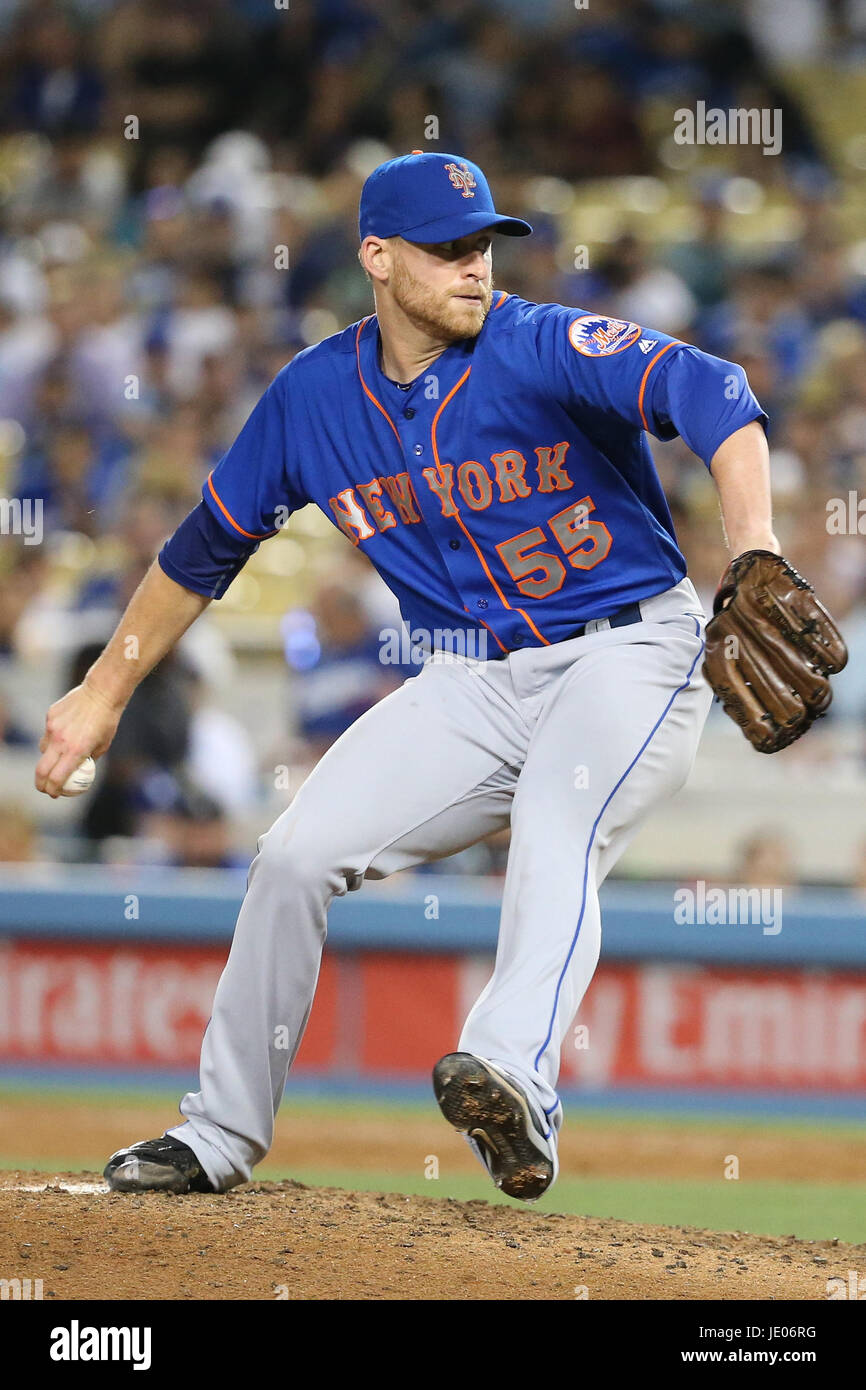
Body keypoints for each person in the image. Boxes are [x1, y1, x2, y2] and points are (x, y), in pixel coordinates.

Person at [36, 152, 776, 1201]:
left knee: (557, 820)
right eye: (447, 249)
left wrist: (751, 546)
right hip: (470, 676)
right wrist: (105, 688)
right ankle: (218, 1132)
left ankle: (513, 1074)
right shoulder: (311, 401)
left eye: (482, 245)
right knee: (292, 856)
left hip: (629, 647)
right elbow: (202, 550)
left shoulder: (540, 344)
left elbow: (716, 395)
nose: (474, 267)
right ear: (377, 258)